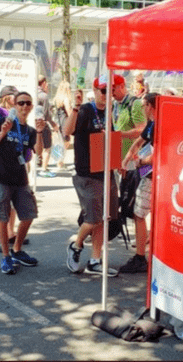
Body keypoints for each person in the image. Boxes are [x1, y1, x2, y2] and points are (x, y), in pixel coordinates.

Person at [64, 76, 120, 277]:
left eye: (110, 91)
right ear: (95, 91)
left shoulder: (110, 111)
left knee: (104, 218)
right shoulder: (86, 110)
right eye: (103, 91)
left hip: (106, 171)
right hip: (88, 173)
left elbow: (111, 139)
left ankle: (95, 260)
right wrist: (75, 107)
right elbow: (67, 131)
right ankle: (76, 246)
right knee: (93, 218)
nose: (107, 95)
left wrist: (118, 162)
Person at [0, 91, 44, 274]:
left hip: (20, 179)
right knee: (2, 218)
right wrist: (3, 133)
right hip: (1, 177)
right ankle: (6, 256)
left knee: (29, 214)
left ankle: (17, 250)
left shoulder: (30, 131)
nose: (24, 106)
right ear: (15, 105)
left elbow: (39, 151)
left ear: (31, 107)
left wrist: (40, 132)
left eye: (28, 103)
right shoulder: (4, 122)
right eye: (21, 103)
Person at [118, 92, 159, 274]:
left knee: (139, 214)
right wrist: (127, 158)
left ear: (150, 106)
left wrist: (140, 162)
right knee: (146, 214)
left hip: (152, 175)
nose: (142, 109)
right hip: (150, 174)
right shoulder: (152, 124)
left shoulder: (159, 125)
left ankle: (141, 257)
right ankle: (145, 252)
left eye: (144, 106)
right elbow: (139, 141)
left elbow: (157, 156)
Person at [110, 74, 145, 159]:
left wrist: (120, 134)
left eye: (113, 89)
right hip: (116, 156)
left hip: (131, 158)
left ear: (122, 86)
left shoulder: (135, 103)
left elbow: (141, 130)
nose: (111, 93)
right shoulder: (113, 104)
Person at [36, 75, 58, 177]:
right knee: (47, 146)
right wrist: (53, 124)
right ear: (44, 83)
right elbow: (46, 114)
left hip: (33, 123)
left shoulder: (32, 93)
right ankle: (44, 169)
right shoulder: (43, 96)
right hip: (42, 123)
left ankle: (38, 166)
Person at [52, 80, 73, 170]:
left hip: (58, 121)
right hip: (65, 122)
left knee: (60, 142)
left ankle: (59, 161)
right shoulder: (66, 98)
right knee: (66, 141)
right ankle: (60, 162)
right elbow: (68, 110)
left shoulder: (56, 99)